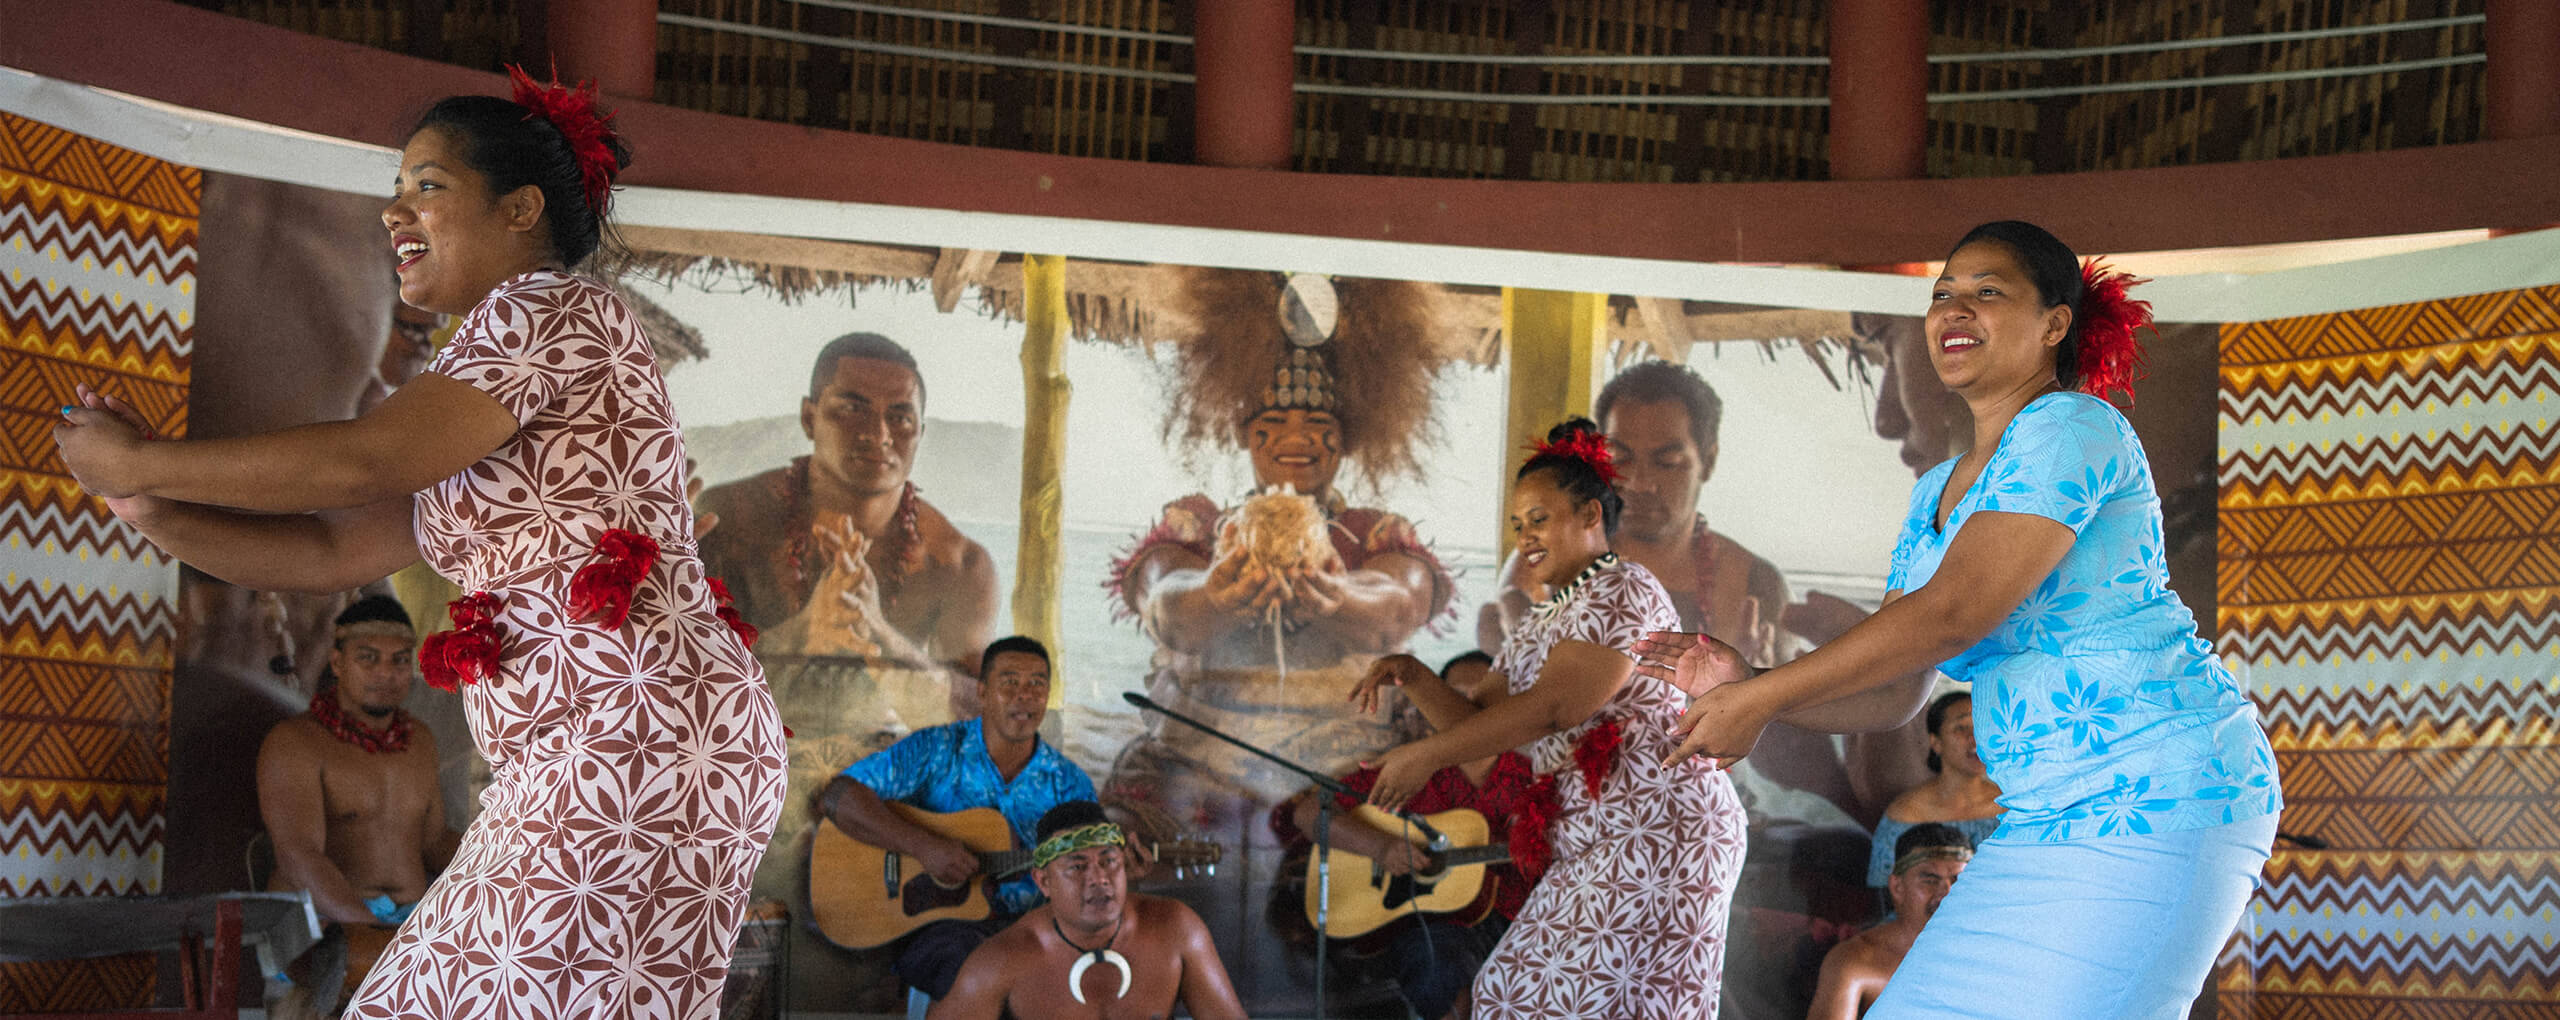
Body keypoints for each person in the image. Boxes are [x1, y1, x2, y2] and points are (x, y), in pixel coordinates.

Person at [53, 69, 788, 1018]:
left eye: (427, 186)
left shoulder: (551, 309)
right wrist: (145, 506)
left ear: (521, 209)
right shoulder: (474, 387)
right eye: (395, 190)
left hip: (640, 733)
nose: (395, 212)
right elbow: (327, 552)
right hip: (593, 749)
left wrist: (148, 462)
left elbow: (363, 462)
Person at [1647, 220, 2281, 1019]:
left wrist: (1764, 699)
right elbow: (1898, 691)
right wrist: (1757, 682)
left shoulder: (2073, 427)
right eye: (1943, 294)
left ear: (2056, 324)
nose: (1955, 309)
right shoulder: (1936, 491)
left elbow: (1953, 614)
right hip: (2041, 818)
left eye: (1988, 292)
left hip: (2163, 793)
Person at [1349, 418, 1742, 1019]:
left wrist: (1423, 755)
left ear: (1590, 515)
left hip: (1661, 829)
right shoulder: (1540, 620)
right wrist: (1414, 675)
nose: (1525, 538)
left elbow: (1558, 707)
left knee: (1527, 1000)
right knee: (1515, 996)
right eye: (1517, 526)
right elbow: (1481, 728)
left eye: (1539, 519)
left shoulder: (1623, 588)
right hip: (1599, 840)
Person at [694, 330, 998, 715]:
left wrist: (880, 634)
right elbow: (675, 681)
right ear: (809, 418)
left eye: (901, 417)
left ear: (921, 432)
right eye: (853, 409)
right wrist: (802, 632)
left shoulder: (958, 564)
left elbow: (984, 725)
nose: (879, 435)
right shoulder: (728, 520)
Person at [818, 636, 1095, 1001]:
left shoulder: (1071, 783)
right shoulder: (936, 749)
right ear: (982, 692)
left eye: (1037, 684)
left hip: (1033, 932)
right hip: (939, 930)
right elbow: (839, 796)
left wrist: (1112, 870)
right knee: (976, 966)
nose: (1024, 694)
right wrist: (923, 846)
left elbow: (1087, 878)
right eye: (1009, 682)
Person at [1274, 650, 1539, 1020]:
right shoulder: (1407, 768)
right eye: (1457, 699)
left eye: (1484, 704)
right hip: (1428, 926)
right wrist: (1380, 847)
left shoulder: (1537, 778)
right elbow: (1308, 813)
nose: (1468, 714)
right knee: (1438, 967)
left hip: (1525, 923)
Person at [256, 595, 459, 1019]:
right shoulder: (296, 741)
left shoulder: (419, 740)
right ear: (337, 661)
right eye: (369, 658)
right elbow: (297, 854)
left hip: (408, 928)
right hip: (330, 932)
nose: (386, 673)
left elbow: (436, 840)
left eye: (400, 660)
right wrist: (370, 929)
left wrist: (495, 874)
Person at [933, 801, 1245, 1020]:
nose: (1098, 879)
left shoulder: (1177, 930)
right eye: (1077, 867)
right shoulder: (999, 962)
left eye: (1109, 862)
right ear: (1044, 881)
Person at [1809, 824, 1973, 1020]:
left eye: (1958, 881)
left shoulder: (1997, 954)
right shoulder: (1855, 962)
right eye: (1929, 879)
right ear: (1897, 887)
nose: (1947, 893)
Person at [1865, 692, 2001, 889]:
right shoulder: (1906, 813)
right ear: (1936, 742)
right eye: (1961, 728)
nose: (1975, 738)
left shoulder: (2012, 807)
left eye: (1980, 726)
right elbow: (1882, 890)